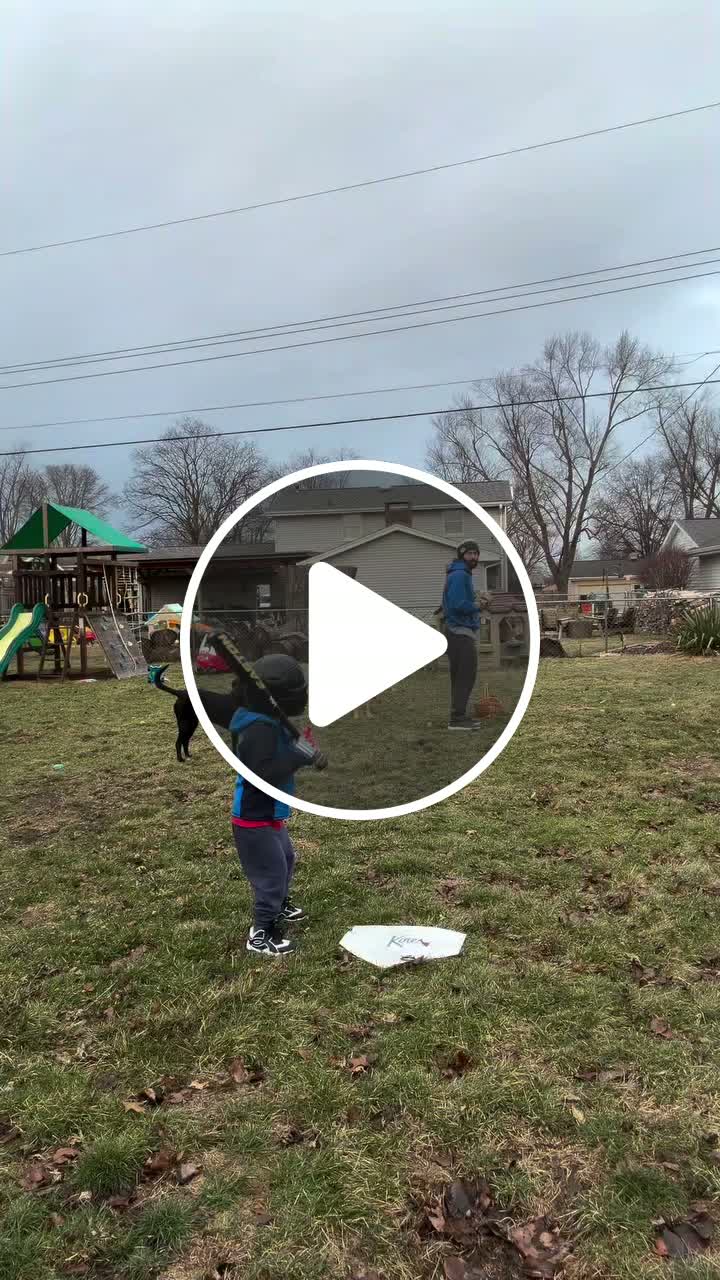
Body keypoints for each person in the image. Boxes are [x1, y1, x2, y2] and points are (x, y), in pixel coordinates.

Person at [230, 654, 327, 957]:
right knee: (270, 874)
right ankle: (261, 932)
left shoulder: (270, 722)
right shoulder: (257, 729)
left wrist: (304, 752)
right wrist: (299, 756)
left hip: (270, 813)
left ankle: (279, 904)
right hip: (253, 818)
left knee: (285, 859)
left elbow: (283, 757)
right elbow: (264, 773)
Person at [441, 539, 488, 730]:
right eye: (470, 553)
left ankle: (458, 715)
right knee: (465, 676)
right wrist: (478, 605)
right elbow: (458, 604)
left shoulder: (460, 573)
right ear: (462, 555)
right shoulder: (460, 574)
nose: (474, 557)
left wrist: (474, 598)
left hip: (457, 631)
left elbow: (456, 599)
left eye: (476, 553)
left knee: (460, 675)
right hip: (459, 631)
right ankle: (458, 719)